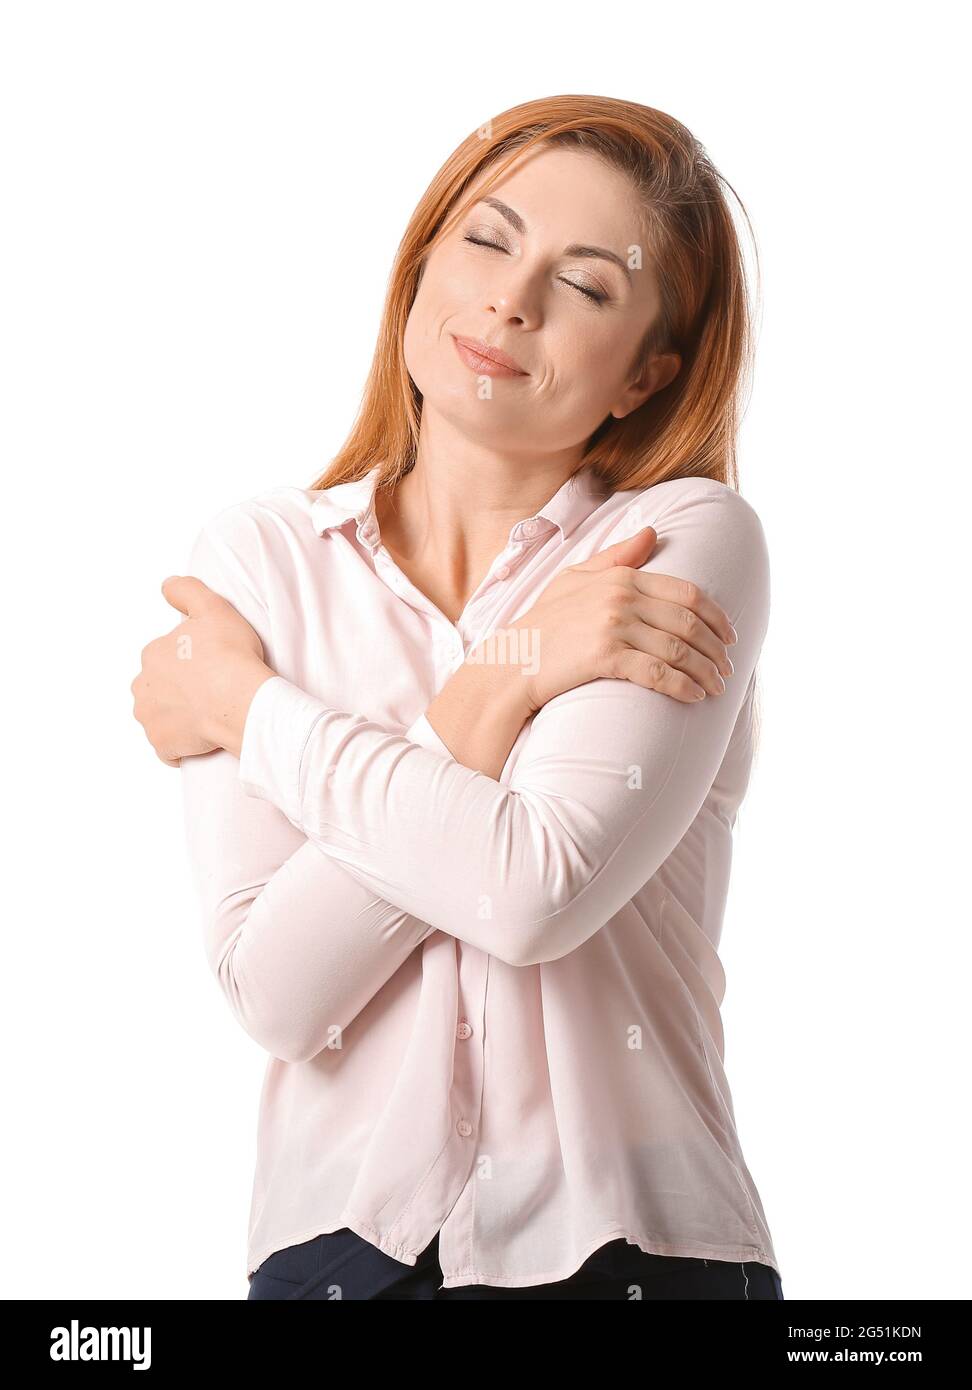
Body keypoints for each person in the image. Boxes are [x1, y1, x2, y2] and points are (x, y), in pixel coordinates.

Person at [131, 94, 783, 1300]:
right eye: (487, 239)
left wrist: (252, 710)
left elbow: (533, 889)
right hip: (336, 1255)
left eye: (586, 286)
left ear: (649, 373)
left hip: (628, 1241)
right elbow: (274, 992)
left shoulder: (682, 543)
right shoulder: (259, 562)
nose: (511, 302)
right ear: (423, 257)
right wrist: (507, 680)